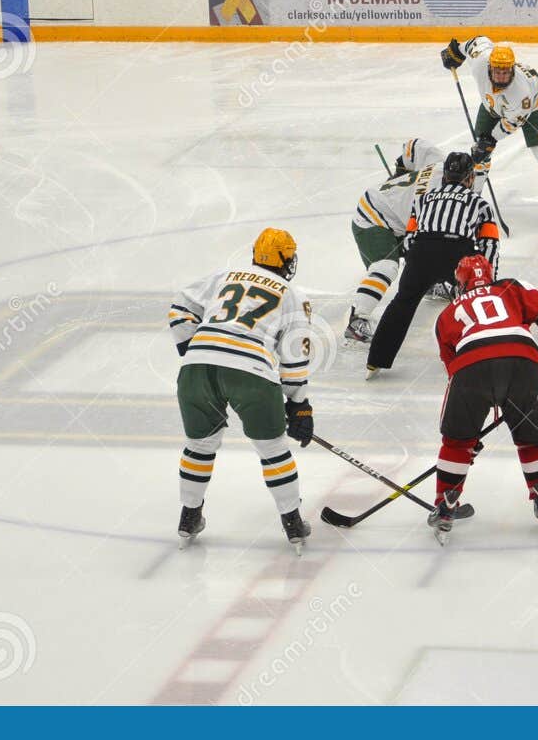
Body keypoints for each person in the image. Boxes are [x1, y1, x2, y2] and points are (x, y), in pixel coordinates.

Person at [168, 228, 315, 550]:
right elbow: (294, 353)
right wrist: (298, 403)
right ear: (286, 259)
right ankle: (292, 523)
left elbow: (179, 309)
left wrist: (195, 349)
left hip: (197, 368)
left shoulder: (225, 275)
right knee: (274, 450)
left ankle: (189, 516)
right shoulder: (292, 293)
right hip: (251, 372)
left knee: (199, 447)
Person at [424, 254, 538, 539]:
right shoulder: (511, 286)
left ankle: (446, 503)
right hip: (523, 362)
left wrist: (468, 435)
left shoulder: (445, 314)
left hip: (470, 366)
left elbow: (453, 370)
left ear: (459, 283)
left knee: (456, 442)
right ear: (491, 273)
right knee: (532, 438)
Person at [365, 153, 500, 377]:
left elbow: (409, 239)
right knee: (470, 303)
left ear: (445, 176)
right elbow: (489, 245)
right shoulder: (480, 203)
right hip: (458, 252)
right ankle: (478, 355)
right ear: (469, 178)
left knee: (403, 303)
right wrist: (487, 281)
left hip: (422, 251)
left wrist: (417, 268)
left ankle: (375, 361)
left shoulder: (423, 199)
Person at [441, 36, 538, 223]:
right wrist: (456, 51)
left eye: (505, 72)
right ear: (489, 67)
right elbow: (477, 41)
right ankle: (471, 200)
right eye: (497, 72)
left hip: (536, 106)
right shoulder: (480, 62)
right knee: (479, 152)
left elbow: (510, 124)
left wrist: (491, 139)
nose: (501, 76)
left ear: (512, 70)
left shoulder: (521, 94)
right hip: (492, 103)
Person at [345, 139, 444, 342]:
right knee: (387, 266)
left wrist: (403, 166)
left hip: (394, 215)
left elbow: (414, 146)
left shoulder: (440, 162)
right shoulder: (436, 203)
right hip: (373, 216)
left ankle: (430, 283)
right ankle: (357, 319)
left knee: (422, 249)